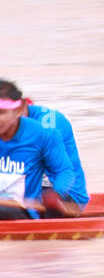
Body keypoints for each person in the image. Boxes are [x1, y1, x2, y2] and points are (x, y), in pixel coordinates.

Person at [0, 81, 89, 211]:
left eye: (2, 112)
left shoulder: (46, 129)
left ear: (19, 109)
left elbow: (63, 171)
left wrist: (56, 193)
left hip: (58, 196)